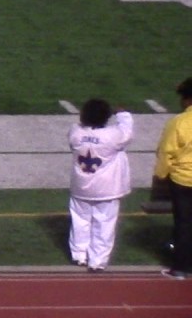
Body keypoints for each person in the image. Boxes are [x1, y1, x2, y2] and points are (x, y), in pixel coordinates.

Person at [68, 99, 133, 272]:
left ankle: (79, 254)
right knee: (104, 224)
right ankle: (97, 261)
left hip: (81, 187)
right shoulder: (113, 136)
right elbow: (127, 131)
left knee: (80, 220)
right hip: (107, 189)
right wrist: (123, 114)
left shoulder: (75, 133)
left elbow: (79, 128)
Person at [156, 78, 192, 279]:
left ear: (187, 99)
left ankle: (181, 267)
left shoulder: (178, 122)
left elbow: (166, 153)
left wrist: (161, 176)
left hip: (183, 180)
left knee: (184, 224)